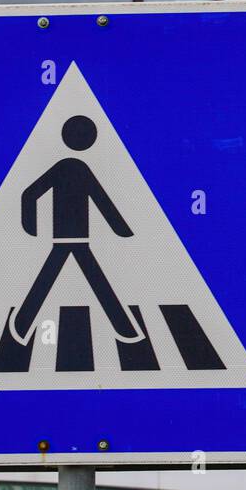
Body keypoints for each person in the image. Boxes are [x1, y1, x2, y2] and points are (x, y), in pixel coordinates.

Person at [11, 114, 144, 345]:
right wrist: (121, 229)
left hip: (69, 237)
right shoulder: (75, 167)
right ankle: (126, 329)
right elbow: (102, 201)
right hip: (73, 236)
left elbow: (30, 195)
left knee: (70, 280)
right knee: (93, 282)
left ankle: (21, 326)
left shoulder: (67, 167)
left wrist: (32, 227)